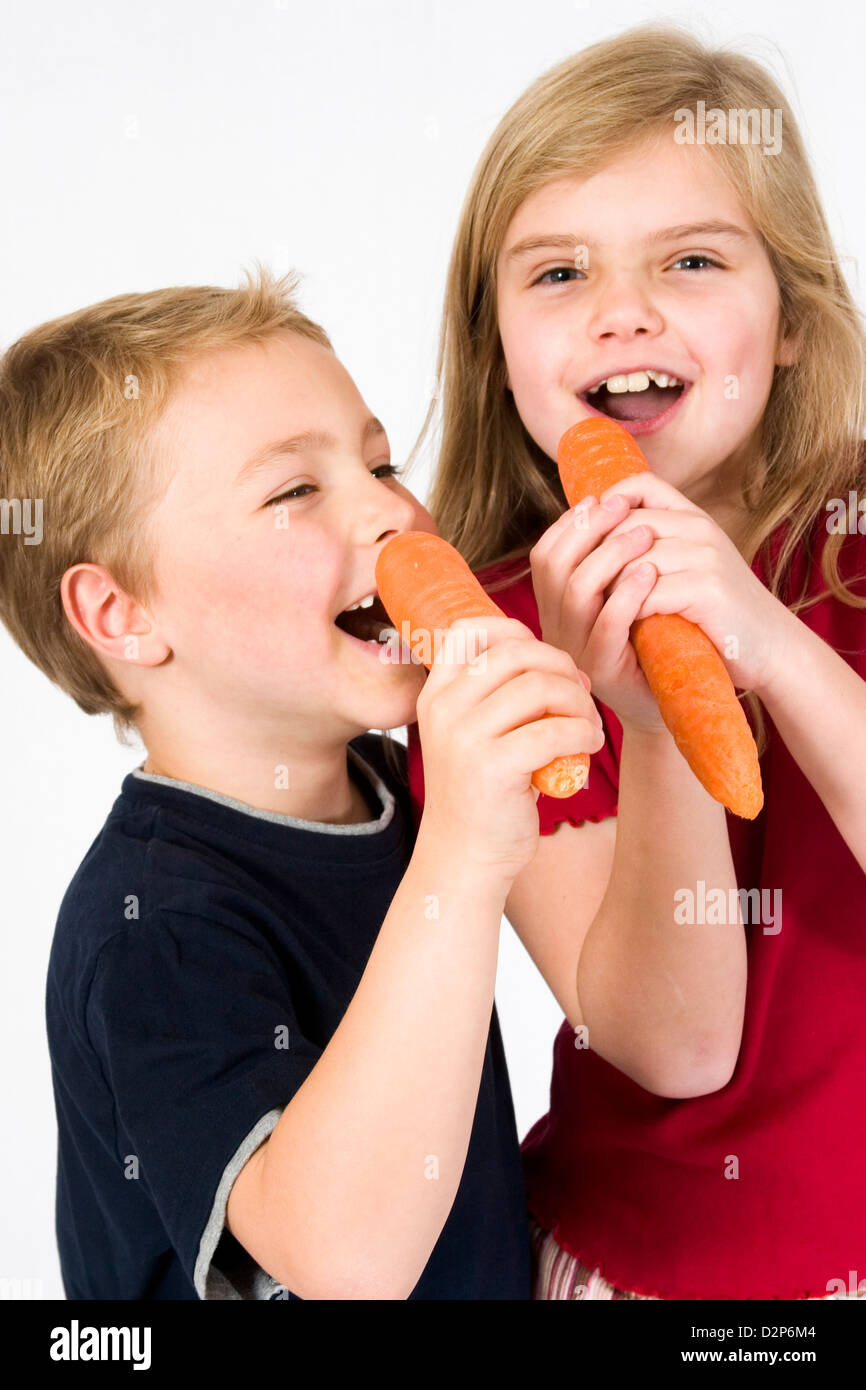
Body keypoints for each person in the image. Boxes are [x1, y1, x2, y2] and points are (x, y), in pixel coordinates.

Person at [0, 269, 605, 1298]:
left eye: (380, 461)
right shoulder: (151, 926)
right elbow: (343, 1260)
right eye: (294, 491)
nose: (393, 510)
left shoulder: (397, 780)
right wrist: (459, 859)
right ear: (123, 614)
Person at [404, 23, 866, 1300]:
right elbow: (672, 1044)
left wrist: (761, 641)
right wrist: (653, 721)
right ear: (498, 348)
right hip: (656, 1274)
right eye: (556, 274)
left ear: (785, 324)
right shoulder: (481, 641)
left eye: (693, 260)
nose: (621, 311)